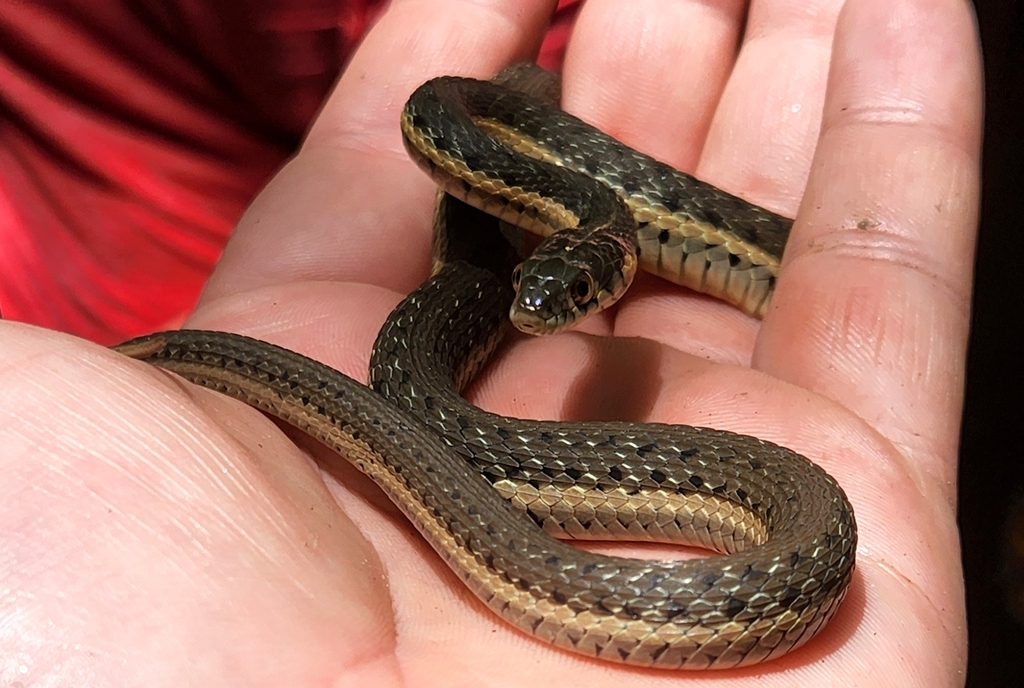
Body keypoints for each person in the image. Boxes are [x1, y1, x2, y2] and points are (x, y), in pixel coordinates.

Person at [0, 0, 979, 684]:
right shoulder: (470, 156)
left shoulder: (598, 207)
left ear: (610, 261)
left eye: (574, 295)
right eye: (533, 291)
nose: (541, 312)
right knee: (439, 326)